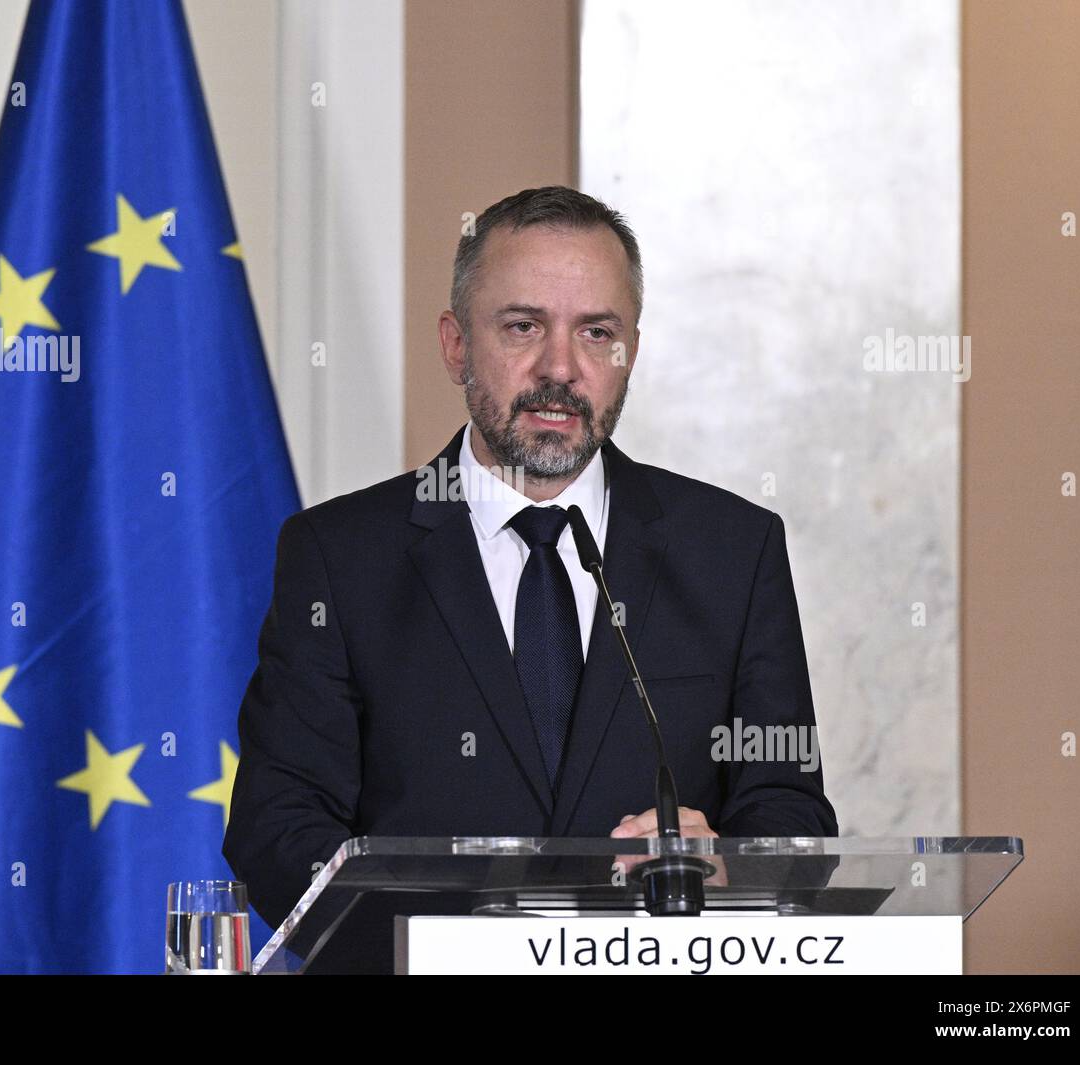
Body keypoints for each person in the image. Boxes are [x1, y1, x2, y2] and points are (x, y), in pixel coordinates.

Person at [223, 185, 837, 931]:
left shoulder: (734, 552)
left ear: (630, 350)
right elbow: (277, 825)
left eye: (596, 332)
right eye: (522, 326)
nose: (561, 367)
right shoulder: (339, 555)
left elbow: (791, 814)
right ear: (456, 345)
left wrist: (728, 865)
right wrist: (449, 947)